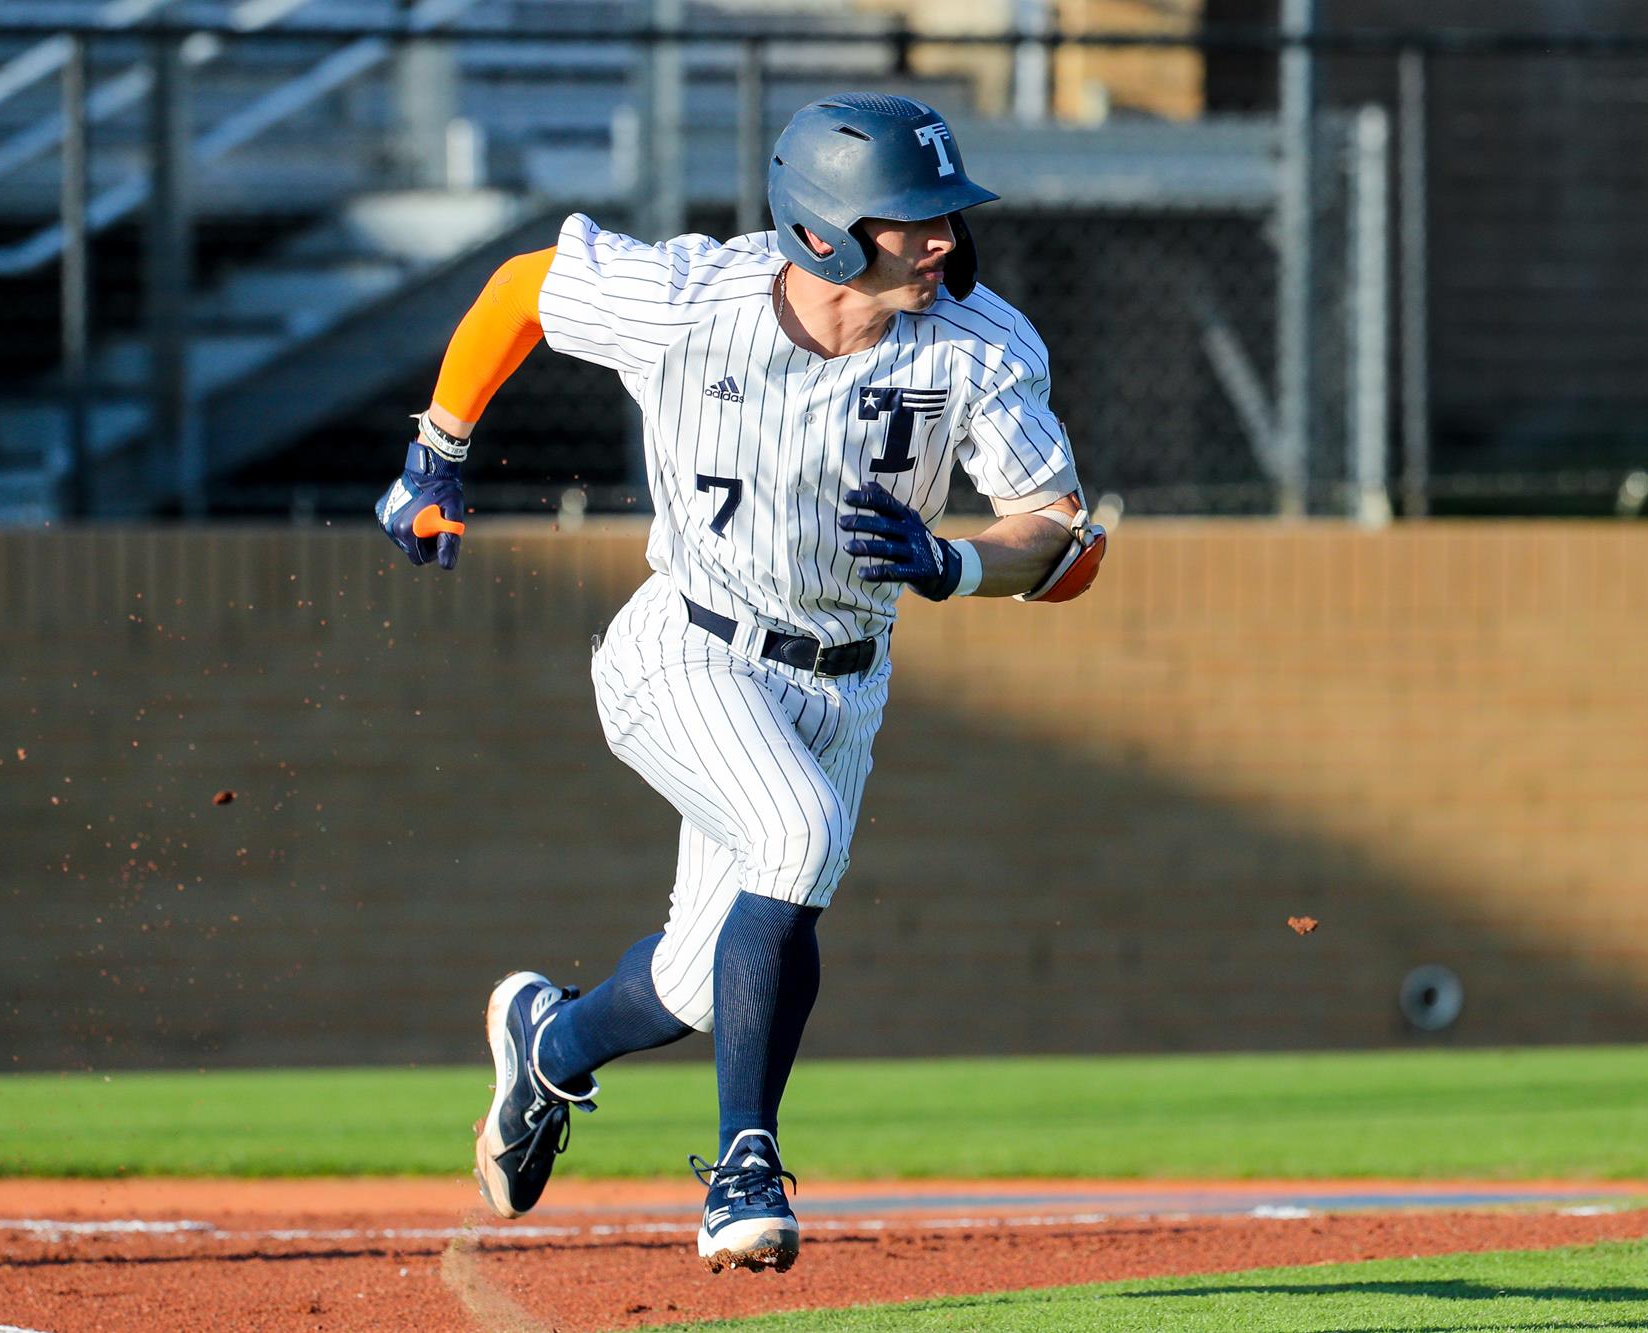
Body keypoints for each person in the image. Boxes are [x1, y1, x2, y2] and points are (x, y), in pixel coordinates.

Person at [376, 92, 1105, 1274]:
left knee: (698, 984)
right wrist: (435, 452)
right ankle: (744, 1166)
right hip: (684, 646)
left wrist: (960, 562)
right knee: (795, 830)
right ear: (821, 228)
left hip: (843, 683)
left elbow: (1065, 546)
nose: (939, 240)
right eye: (907, 220)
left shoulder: (979, 343)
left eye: (942, 218)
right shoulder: (686, 298)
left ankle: (548, 1040)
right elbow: (520, 286)